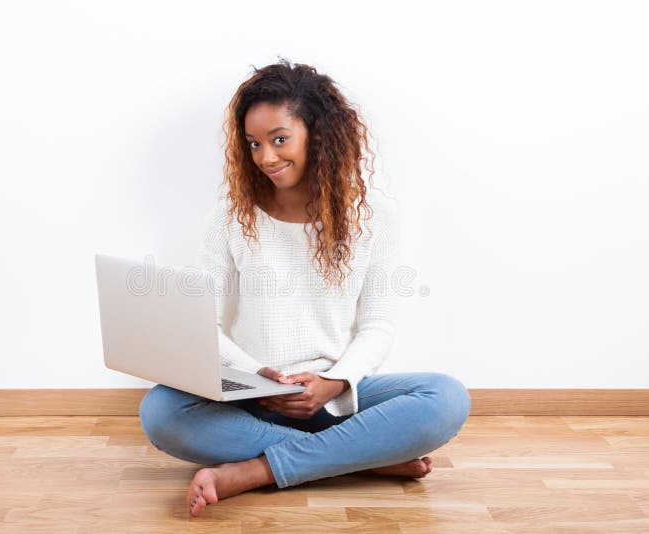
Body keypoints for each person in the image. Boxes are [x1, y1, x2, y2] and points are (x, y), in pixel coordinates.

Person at [139, 58, 471, 518]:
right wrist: (260, 378)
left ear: (319, 133)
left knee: (446, 398)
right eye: (254, 144)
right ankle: (360, 459)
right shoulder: (228, 219)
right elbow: (204, 325)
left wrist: (333, 382)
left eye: (280, 140)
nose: (266, 158)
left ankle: (256, 471)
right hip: (250, 395)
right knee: (159, 410)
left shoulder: (375, 216)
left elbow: (378, 324)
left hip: (334, 394)